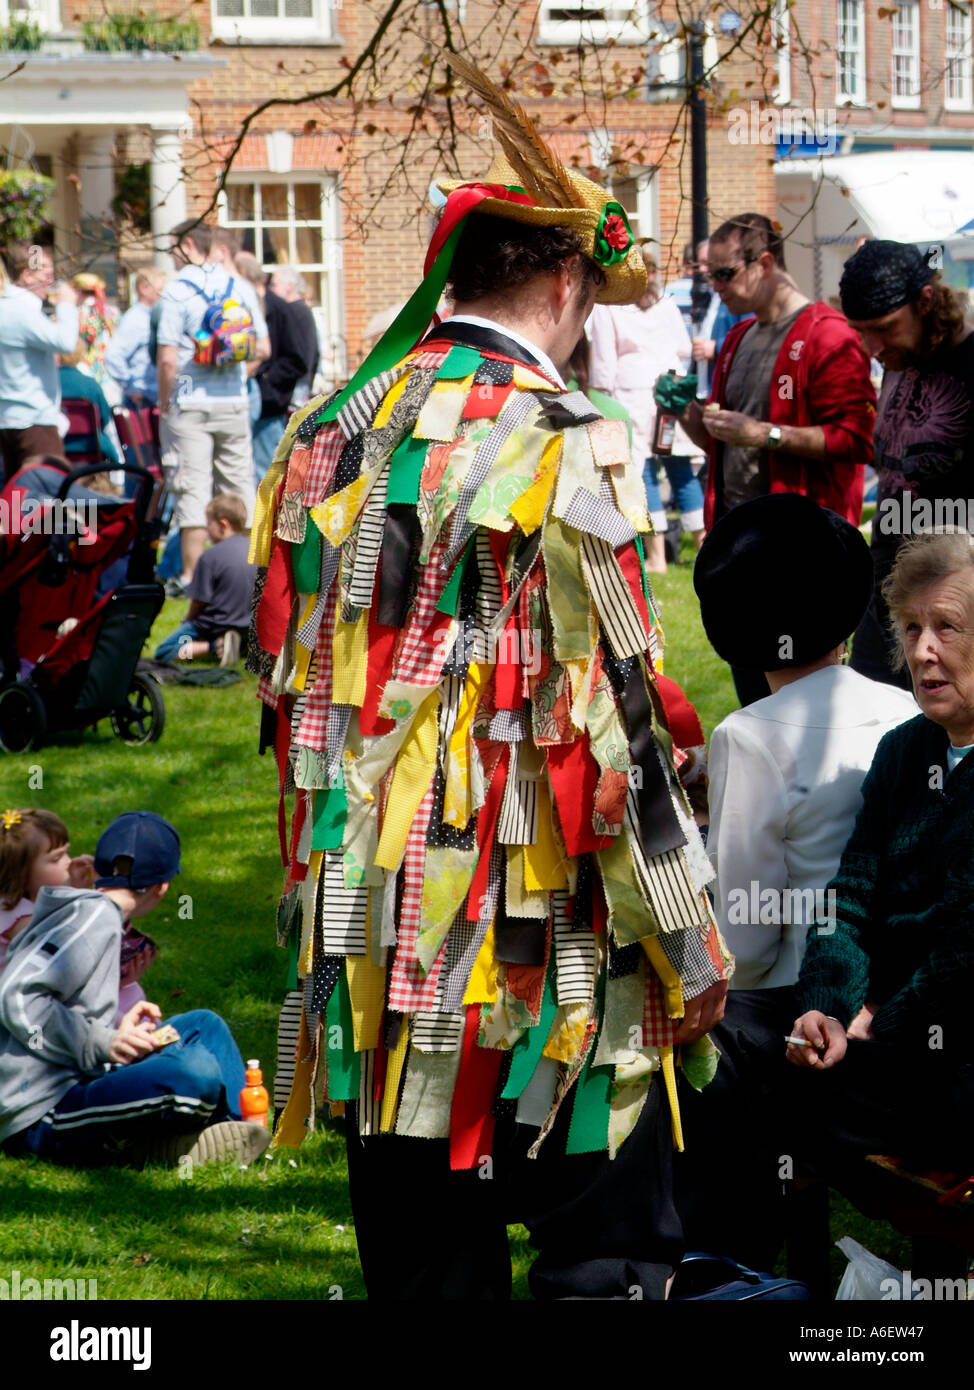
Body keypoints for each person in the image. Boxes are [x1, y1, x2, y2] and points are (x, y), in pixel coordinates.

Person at [250, 56, 729, 1301]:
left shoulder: (326, 435)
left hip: (368, 937)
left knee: (423, 1267)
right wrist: (686, 937)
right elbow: (615, 717)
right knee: (603, 1253)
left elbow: (289, 694)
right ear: (567, 278)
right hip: (544, 949)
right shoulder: (570, 436)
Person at [675, 494, 916, 1267]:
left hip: (796, 1003)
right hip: (894, 981)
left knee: (688, 1046)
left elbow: (743, 938)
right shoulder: (904, 704)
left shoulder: (749, 734)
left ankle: (734, 1260)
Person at [787, 529, 974, 1190]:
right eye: (912, 627)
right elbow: (852, 894)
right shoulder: (905, 751)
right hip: (891, 1044)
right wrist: (829, 1006)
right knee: (773, 1061)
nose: (923, 649)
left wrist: (874, 1023)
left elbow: (964, 951)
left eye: (947, 627)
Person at [665, 212, 877, 707]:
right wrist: (684, 413)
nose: (713, 287)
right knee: (756, 707)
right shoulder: (736, 339)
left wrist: (766, 433)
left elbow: (856, 440)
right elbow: (724, 444)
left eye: (722, 274)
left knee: (807, 712)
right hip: (742, 557)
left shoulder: (830, 334)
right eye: (706, 275)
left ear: (764, 262)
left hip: (803, 563)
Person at [0, 811, 270, 1168]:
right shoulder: (94, 918)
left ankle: (241, 1131)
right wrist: (101, 1042)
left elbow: (69, 1000)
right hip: (41, 1109)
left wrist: (117, 1031)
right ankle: (172, 1142)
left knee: (205, 1026)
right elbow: (17, 996)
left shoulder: (95, 912)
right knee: (193, 1071)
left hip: (82, 1075)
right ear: (162, 887)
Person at [839, 239, 974, 691]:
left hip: (953, 615)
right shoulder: (900, 358)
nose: (870, 346)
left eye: (883, 328)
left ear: (926, 301)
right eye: (859, 330)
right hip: (886, 605)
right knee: (883, 747)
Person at [156, 218, 269, 589]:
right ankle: (251, 572)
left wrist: (165, 400)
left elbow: (168, 359)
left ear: (188, 245)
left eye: (174, 248)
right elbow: (262, 348)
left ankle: (191, 577)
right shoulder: (240, 286)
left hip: (190, 403)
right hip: (233, 401)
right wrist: (239, 376)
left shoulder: (176, 291)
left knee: (192, 487)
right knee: (239, 485)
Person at [589, 248, 705, 573]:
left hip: (632, 392)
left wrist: (600, 398)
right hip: (669, 386)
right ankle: (703, 544)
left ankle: (657, 555)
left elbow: (603, 361)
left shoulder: (607, 306)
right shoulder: (666, 304)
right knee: (680, 468)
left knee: (645, 471)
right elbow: (683, 348)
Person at [0, 242, 79, 481]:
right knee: (48, 506)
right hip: (34, 423)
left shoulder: (11, 308)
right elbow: (65, 343)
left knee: (20, 506)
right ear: (26, 276)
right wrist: (66, 304)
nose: (51, 279)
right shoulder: (21, 311)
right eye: (44, 272)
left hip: (11, 420)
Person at [236, 256, 319, 483]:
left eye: (275, 284)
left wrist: (267, 381)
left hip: (272, 402)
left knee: (267, 470)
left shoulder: (290, 310)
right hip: (265, 399)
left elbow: (302, 359)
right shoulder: (270, 307)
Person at [153, 492, 255, 665]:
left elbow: (199, 602)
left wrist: (187, 621)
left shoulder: (210, 557)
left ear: (223, 525)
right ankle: (241, 646)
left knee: (165, 652)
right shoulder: (256, 552)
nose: (207, 530)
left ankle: (215, 647)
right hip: (250, 625)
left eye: (209, 524)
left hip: (214, 626)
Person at [0, 809, 93, 974]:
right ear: (21, 872)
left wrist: (73, 889)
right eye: (56, 858)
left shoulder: (23, 900)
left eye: (67, 852)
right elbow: (63, 948)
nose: (69, 862)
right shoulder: (17, 916)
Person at [104, 268, 168, 410]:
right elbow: (113, 356)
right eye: (160, 290)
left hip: (152, 398)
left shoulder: (151, 316)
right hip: (141, 401)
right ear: (144, 288)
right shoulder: (135, 319)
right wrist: (131, 387)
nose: (163, 295)